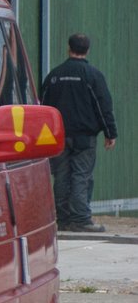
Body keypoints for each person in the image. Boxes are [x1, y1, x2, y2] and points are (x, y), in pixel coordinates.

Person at [41, 33, 117, 233]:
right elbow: (103, 106)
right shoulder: (93, 76)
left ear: (69, 48)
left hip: (58, 137)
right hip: (84, 138)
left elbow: (43, 106)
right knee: (81, 176)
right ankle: (81, 220)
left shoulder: (54, 76)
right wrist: (110, 133)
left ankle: (64, 220)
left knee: (61, 176)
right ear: (87, 50)